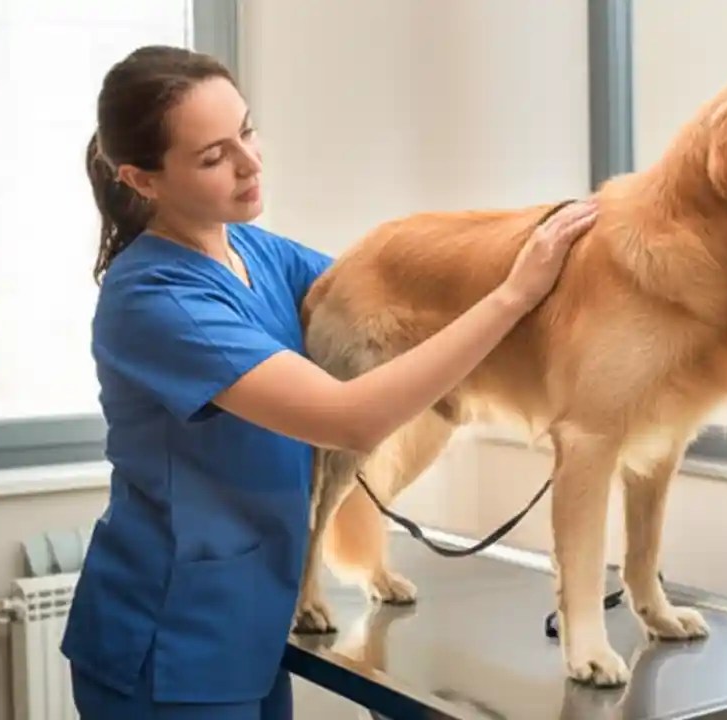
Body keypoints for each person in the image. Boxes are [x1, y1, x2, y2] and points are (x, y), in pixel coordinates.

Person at [59, 44, 598, 719]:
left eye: (247, 132)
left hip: (254, 629)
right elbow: (348, 418)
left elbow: (383, 300)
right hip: (170, 644)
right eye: (212, 156)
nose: (251, 163)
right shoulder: (157, 301)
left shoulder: (254, 250)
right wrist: (512, 295)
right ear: (142, 180)